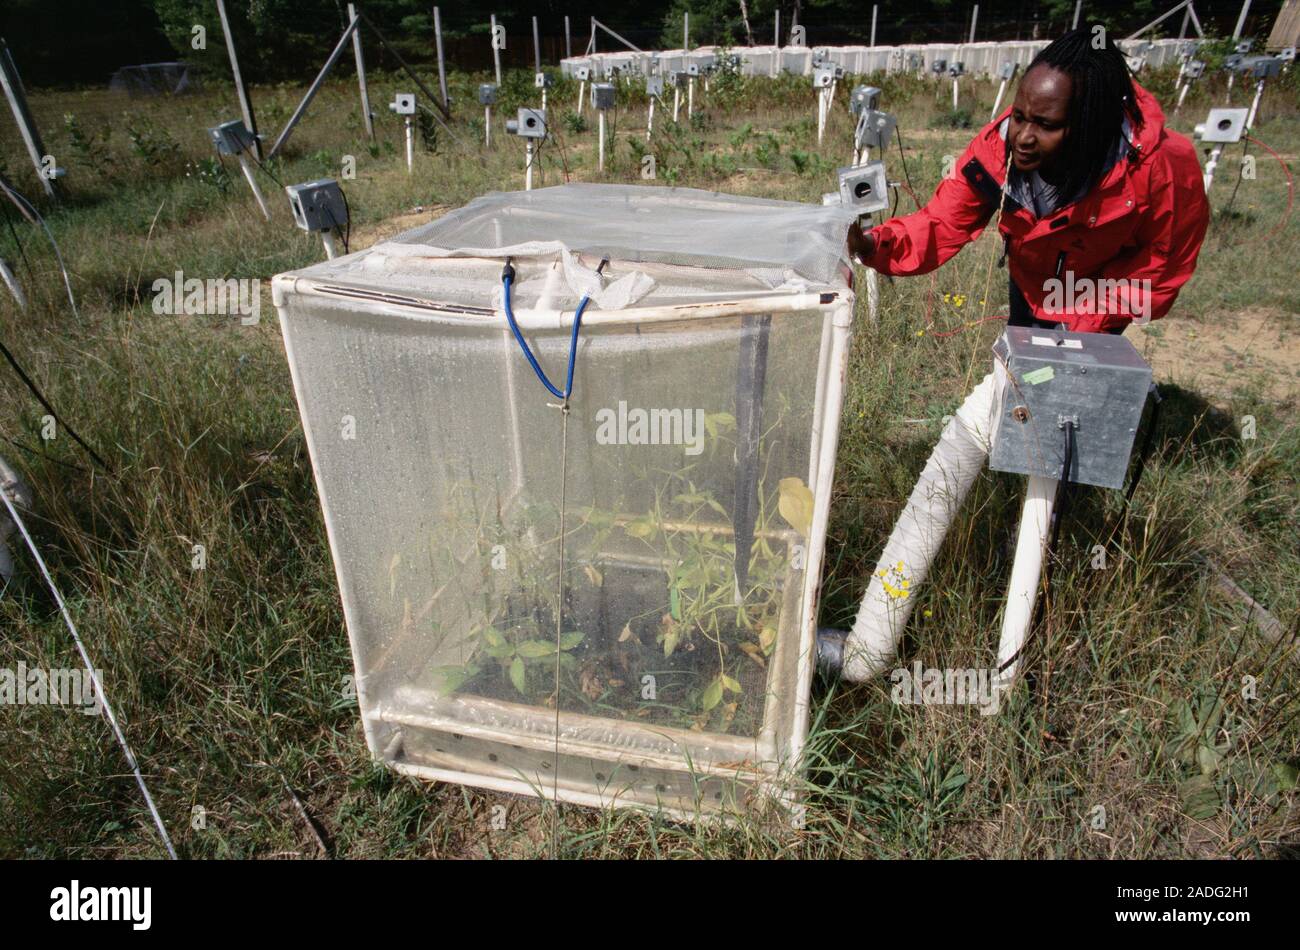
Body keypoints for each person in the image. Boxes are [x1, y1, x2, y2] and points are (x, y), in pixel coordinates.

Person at [847, 26, 1210, 334]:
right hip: (1029, 283)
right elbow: (940, 223)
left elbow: (1160, 265)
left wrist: (1083, 325)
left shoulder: (1161, 168)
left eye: (1047, 125)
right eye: (1019, 116)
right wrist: (869, 244)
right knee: (1024, 378)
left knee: (1070, 391)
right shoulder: (994, 152)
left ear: (1091, 126)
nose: (1022, 136)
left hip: (1098, 296)